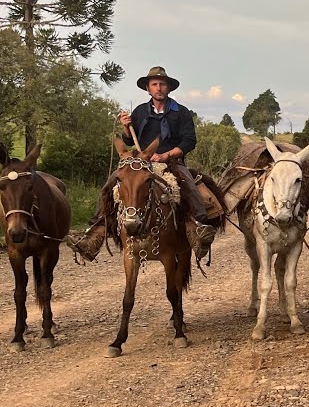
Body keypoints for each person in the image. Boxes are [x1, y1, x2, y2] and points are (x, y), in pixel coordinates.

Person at [68, 66, 219, 261]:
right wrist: (126, 127)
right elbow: (129, 141)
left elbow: (189, 141)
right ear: (148, 89)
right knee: (110, 184)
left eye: (162, 84)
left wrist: (166, 155)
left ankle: (198, 229)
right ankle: (95, 234)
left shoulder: (181, 112)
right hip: (141, 163)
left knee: (188, 184)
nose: (159, 88)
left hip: (172, 162)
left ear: (168, 88)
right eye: (154, 84)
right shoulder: (140, 111)